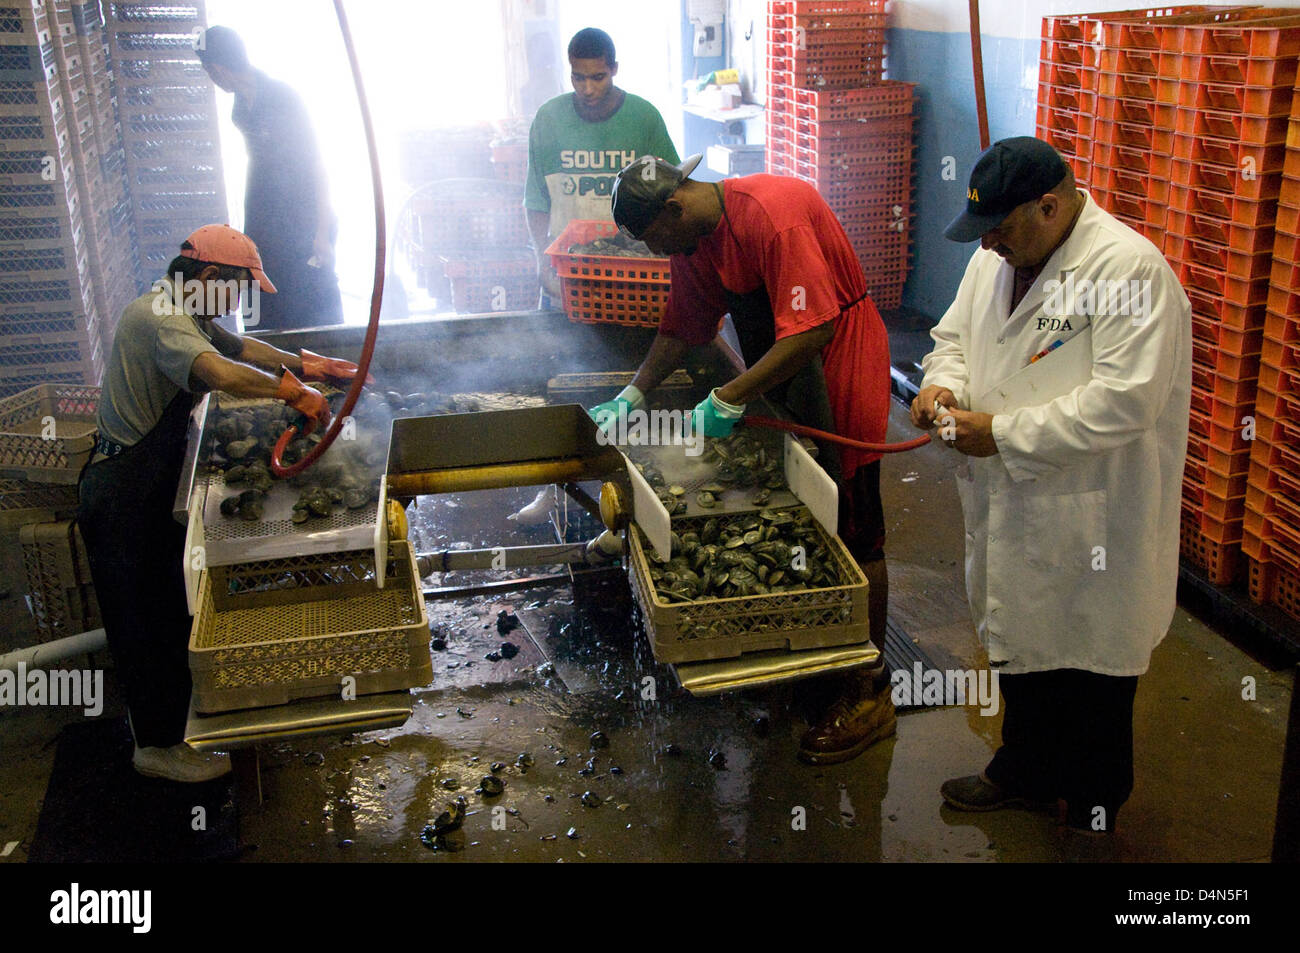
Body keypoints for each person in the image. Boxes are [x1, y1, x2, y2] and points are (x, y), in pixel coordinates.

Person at [910, 137, 1190, 833]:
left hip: (1095, 509)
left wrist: (1001, 435)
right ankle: (1023, 771)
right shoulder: (995, 257)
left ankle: (1094, 810)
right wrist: (942, 382)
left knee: (1092, 667)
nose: (990, 246)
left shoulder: (1129, 270)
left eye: (1001, 229)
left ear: (1051, 205)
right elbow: (953, 335)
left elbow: (1126, 401)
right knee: (1022, 641)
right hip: (1012, 499)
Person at [596, 154, 896, 765]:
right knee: (806, 512)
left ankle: (870, 691)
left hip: (837, 361)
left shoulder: (772, 214)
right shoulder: (696, 240)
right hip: (780, 365)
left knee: (856, 525)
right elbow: (683, 326)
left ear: (675, 206)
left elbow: (813, 329)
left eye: (653, 240)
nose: (656, 254)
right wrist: (634, 393)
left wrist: (728, 398)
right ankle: (812, 656)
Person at [78, 225, 369, 783]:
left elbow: (240, 348)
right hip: (122, 493)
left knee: (165, 609)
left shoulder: (187, 312)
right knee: (141, 621)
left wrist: (308, 366)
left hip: (146, 485)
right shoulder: (162, 319)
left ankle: (171, 724)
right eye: (238, 288)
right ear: (210, 278)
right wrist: (289, 393)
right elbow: (216, 370)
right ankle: (156, 750)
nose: (239, 302)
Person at [196, 25, 344, 332]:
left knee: (313, 304)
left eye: (210, 71)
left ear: (219, 69)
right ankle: (276, 370)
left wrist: (321, 232)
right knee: (266, 304)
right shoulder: (240, 107)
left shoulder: (282, 98)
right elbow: (261, 168)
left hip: (303, 220)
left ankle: (330, 370)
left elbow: (316, 163)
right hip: (267, 220)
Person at [525, 27, 679, 307]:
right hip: (566, 271)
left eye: (598, 77)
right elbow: (536, 201)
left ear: (614, 69)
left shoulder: (643, 118)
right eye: (578, 77)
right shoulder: (549, 120)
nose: (587, 89)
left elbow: (672, 196)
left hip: (633, 275)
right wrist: (540, 261)